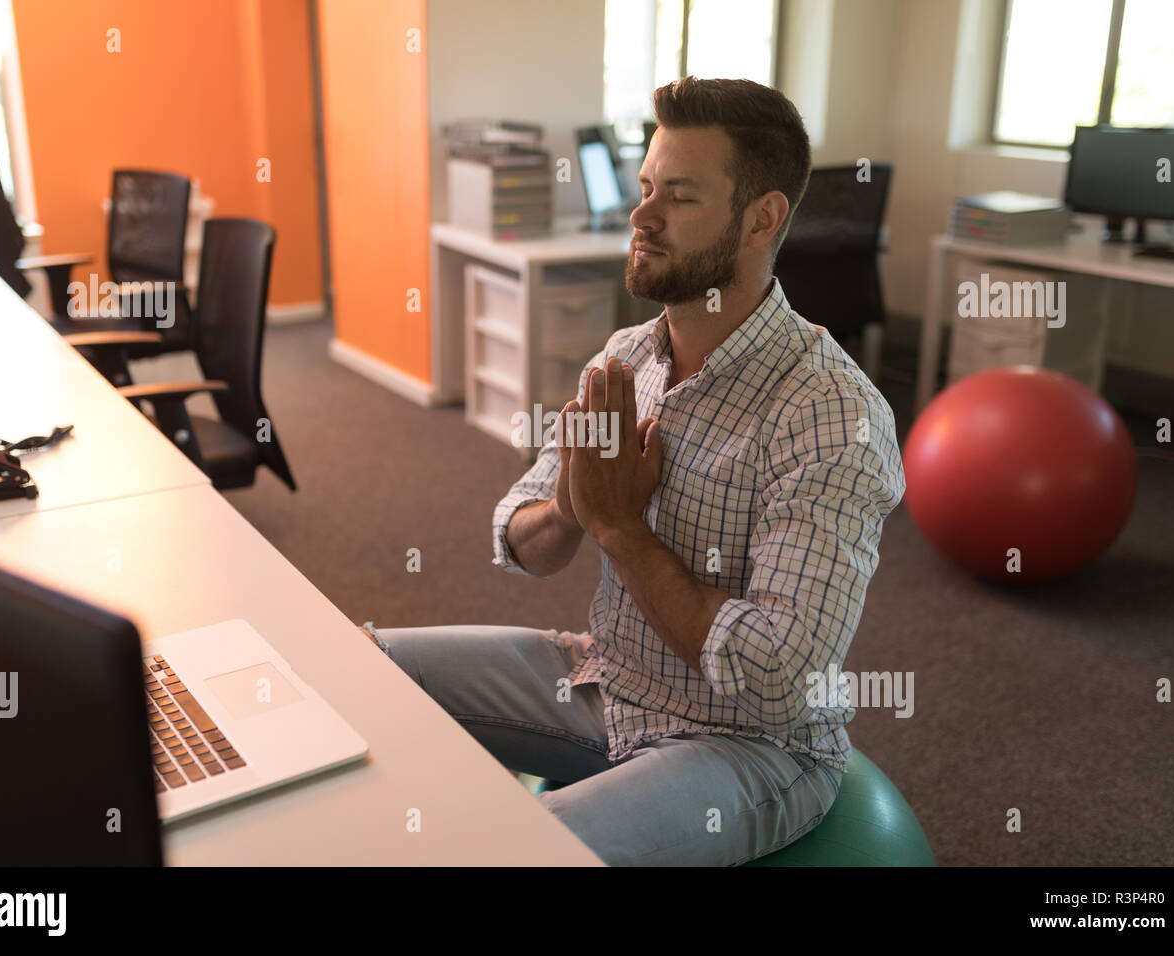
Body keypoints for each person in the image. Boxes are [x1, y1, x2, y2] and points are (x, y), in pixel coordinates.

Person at [360, 76, 906, 866]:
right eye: (646, 187)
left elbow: (778, 678)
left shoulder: (830, 414)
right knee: (358, 666)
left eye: (678, 197)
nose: (640, 216)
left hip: (750, 746)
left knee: (507, 852)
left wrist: (619, 529)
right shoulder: (625, 358)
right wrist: (570, 510)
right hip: (609, 681)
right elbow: (519, 537)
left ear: (762, 219)